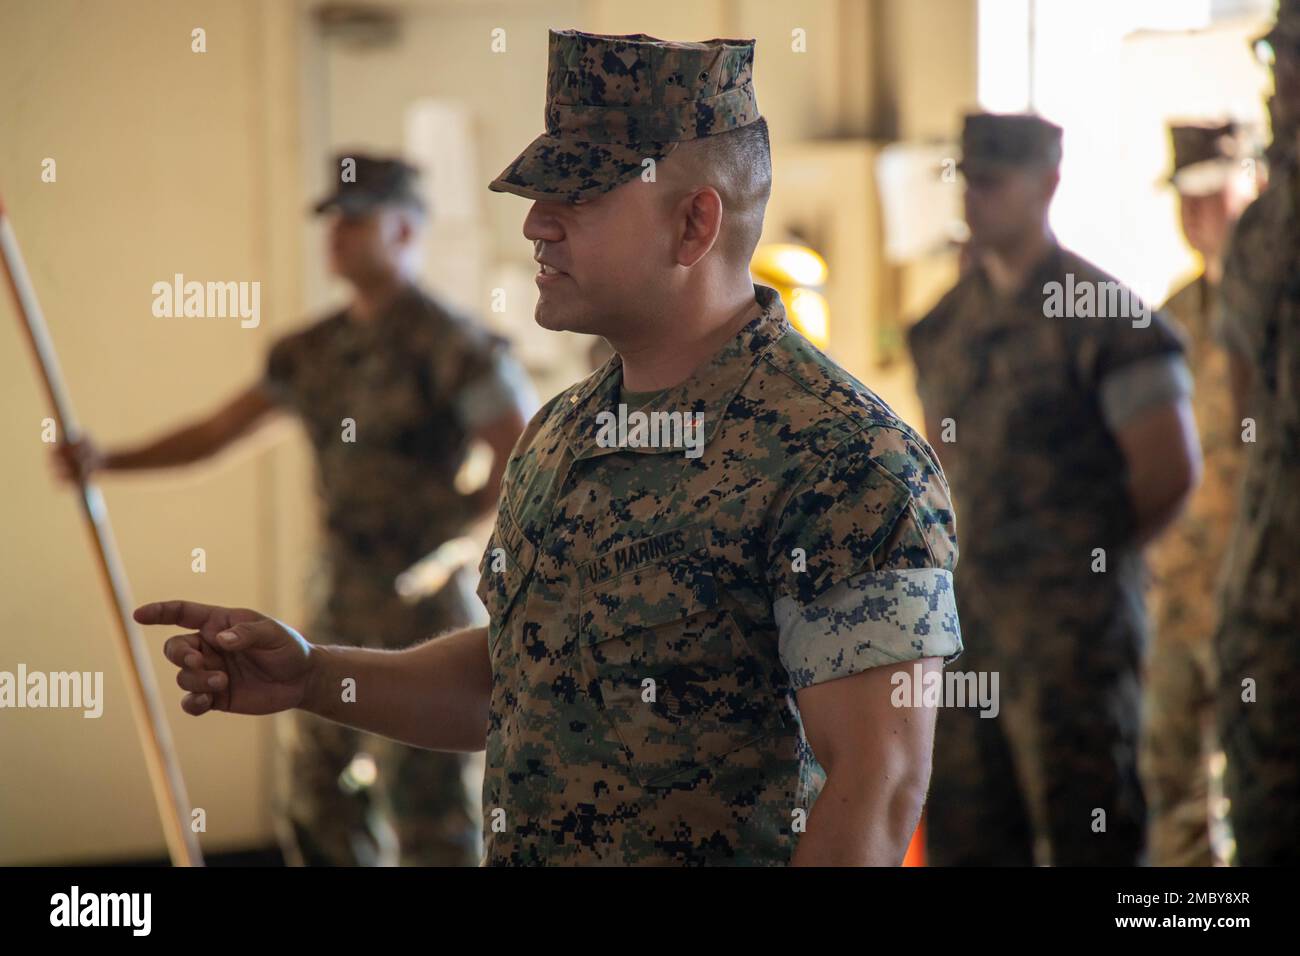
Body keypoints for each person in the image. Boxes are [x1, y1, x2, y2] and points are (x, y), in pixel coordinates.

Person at [133, 29, 963, 866]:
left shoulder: (843, 460)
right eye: (540, 194)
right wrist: (314, 677)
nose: (536, 224)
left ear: (693, 223)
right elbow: (515, 679)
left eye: (579, 195)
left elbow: (879, 786)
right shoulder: (561, 433)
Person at [54, 154, 533, 866]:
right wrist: (107, 460)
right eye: (330, 219)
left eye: (356, 218)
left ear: (404, 229)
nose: (336, 233)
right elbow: (216, 434)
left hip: (423, 607)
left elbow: (519, 455)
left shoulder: (452, 345)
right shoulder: (311, 352)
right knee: (317, 792)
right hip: (335, 595)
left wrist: (453, 534)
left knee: (426, 796)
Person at [909, 112, 1201, 866]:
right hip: (970, 630)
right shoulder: (945, 326)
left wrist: (1082, 565)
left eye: (995, 183)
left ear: (1047, 185)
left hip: (1073, 637)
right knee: (970, 834)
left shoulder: (1106, 320)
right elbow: (942, 467)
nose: (976, 199)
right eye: (969, 181)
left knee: (1090, 832)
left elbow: (1170, 470)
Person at [1140, 121, 1254, 867]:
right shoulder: (1174, 318)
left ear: (1254, 186)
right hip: (1180, 598)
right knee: (1172, 790)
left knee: (1263, 789)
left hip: (1259, 595)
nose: (1198, 214)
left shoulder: (1279, 309)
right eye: (1185, 198)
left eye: (1213, 193)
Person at [1214, 2, 1300, 866]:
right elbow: (1247, 418)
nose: (1282, 83)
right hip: (1266, 594)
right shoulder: (1265, 228)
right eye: (1279, 59)